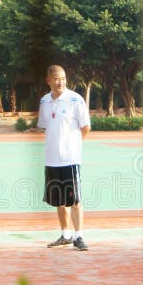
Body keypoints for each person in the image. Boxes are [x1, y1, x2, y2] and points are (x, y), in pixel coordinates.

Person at [38, 65, 91, 251]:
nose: (61, 82)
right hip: (51, 159)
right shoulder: (44, 101)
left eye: (63, 78)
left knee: (75, 200)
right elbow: (45, 127)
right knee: (59, 201)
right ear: (48, 81)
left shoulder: (75, 100)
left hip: (71, 159)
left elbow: (86, 128)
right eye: (57, 78)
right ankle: (66, 235)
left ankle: (79, 236)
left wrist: (75, 147)